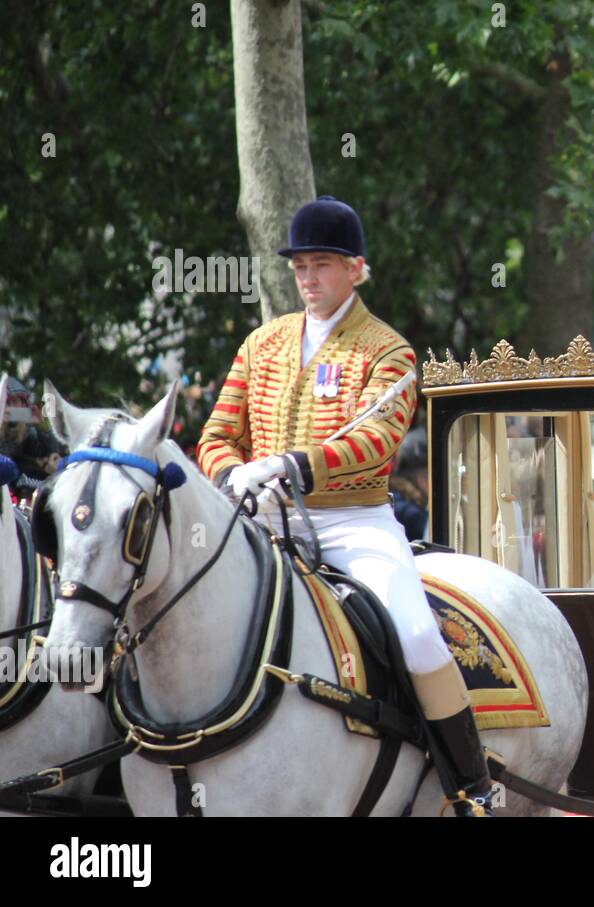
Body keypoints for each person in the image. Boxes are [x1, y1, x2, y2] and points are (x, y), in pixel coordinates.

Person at [196, 196, 493, 815]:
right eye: (300, 267)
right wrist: (232, 472)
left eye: (322, 265)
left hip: (350, 521)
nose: (308, 279)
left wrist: (292, 465)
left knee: (418, 636)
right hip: (257, 515)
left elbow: (376, 440)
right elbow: (217, 433)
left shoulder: (390, 351)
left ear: (356, 269)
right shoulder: (261, 343)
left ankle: (471, 784)